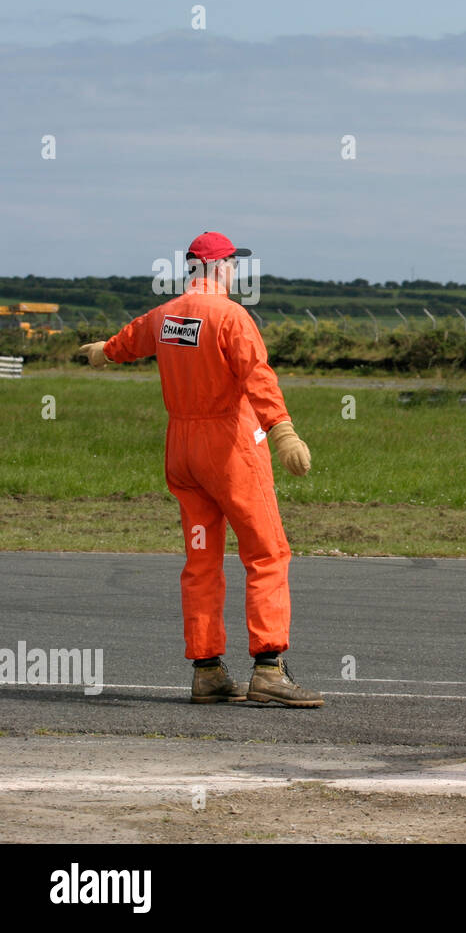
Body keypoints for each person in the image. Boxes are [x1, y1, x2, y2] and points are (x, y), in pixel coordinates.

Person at [79, 231, 322, 707]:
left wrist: (102, 352)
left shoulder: (166, 314)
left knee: (201, 561)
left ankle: (207, 670)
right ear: (223, 267)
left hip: (182, 450)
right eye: (234, 264)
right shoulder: (231, 315)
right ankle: (269, 669)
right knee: (267, 554)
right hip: (230, 447)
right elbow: (258, 376)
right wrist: (283, 431)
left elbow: (129, 341)